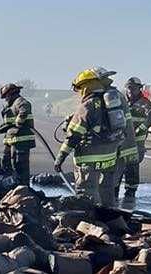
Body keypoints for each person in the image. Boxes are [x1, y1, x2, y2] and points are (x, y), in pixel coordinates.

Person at [54, 69, 124, 205]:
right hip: (110, 157)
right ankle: (110, 221)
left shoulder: (87, 105)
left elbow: (73, 135)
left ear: (87, 86)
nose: (80, 92)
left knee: (86, 195)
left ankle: (90, 222)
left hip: (89, 159)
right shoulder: (112, 101)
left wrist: (60, 158)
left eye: (81, 88)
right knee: (106, 192)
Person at [95, 69, 136, 207]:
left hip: (112, 147)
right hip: (120, 144)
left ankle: (106, 213)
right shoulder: (117, 96)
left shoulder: (105, 97)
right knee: (111, 181)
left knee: (105, 183)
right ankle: (111, 209)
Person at [0, 83, 35, 185]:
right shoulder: (11, 106)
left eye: (6, 97)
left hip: (21, 141)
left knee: (20, 166)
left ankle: (24, 189)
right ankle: (10, 185)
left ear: (11, 94)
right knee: (6, 163)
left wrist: (19, 121)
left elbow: (25, 109)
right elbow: (8, 125)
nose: (5, 99)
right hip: (11, 140)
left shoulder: (19, 101)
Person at [122, 76, 151, 202]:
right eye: (129, 88)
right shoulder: (122, 101)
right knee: (118, 167)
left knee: (132, 167)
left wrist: (140, 128)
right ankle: (114, 190)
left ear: (139, 88)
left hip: (136, 142)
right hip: (122, 141)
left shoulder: (144, 103)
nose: (131, 90)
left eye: (134, 88)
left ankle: (130, 192)